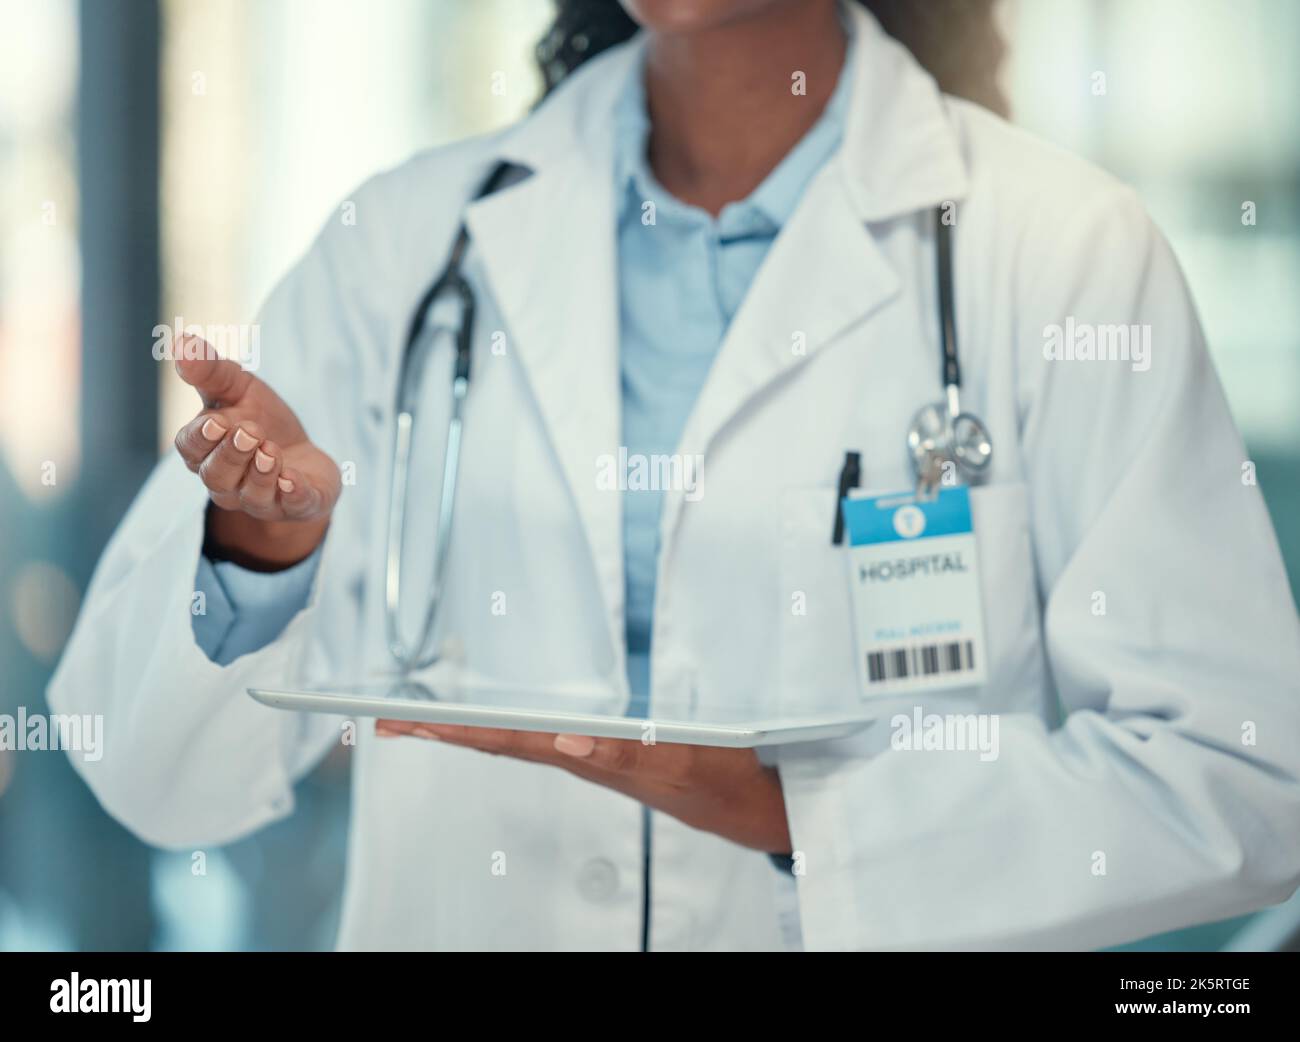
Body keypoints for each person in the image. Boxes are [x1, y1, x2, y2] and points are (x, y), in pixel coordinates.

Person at [50, 0, 1300, 951]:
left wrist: (802, 815)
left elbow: (1240, 776)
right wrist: (264, 557)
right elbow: (153, 773)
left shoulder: (1058, 252)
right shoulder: (403, 247)